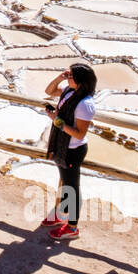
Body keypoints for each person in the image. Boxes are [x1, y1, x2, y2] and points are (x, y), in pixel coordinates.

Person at [42, 63, 97, 241]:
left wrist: (55, 120)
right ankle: (63, 215)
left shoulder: (85, 104)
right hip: (62, 146)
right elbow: (49, 91)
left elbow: (79, 134)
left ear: (81, 81)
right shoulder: (69, 91)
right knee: (67, 185)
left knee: (72, 188)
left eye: (72, 75)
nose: (69, 77)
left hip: (73, 149)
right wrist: (60, 77)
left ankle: (72, 227)